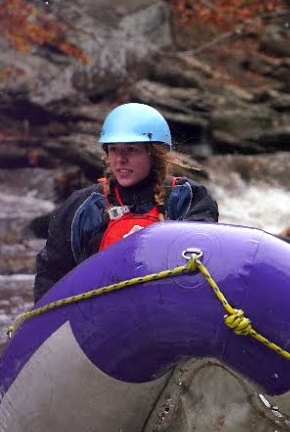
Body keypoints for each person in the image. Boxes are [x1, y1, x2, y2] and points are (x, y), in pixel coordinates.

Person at [34, 103, 220, 302]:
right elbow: (51, 273)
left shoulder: (185, 197)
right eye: (114, 150)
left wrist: (152, 243)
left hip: (168, 306)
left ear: (154, 154)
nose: (120, 159)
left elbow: (201, 258)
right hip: (102, 314)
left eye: (131, 149)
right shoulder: (84, 206)